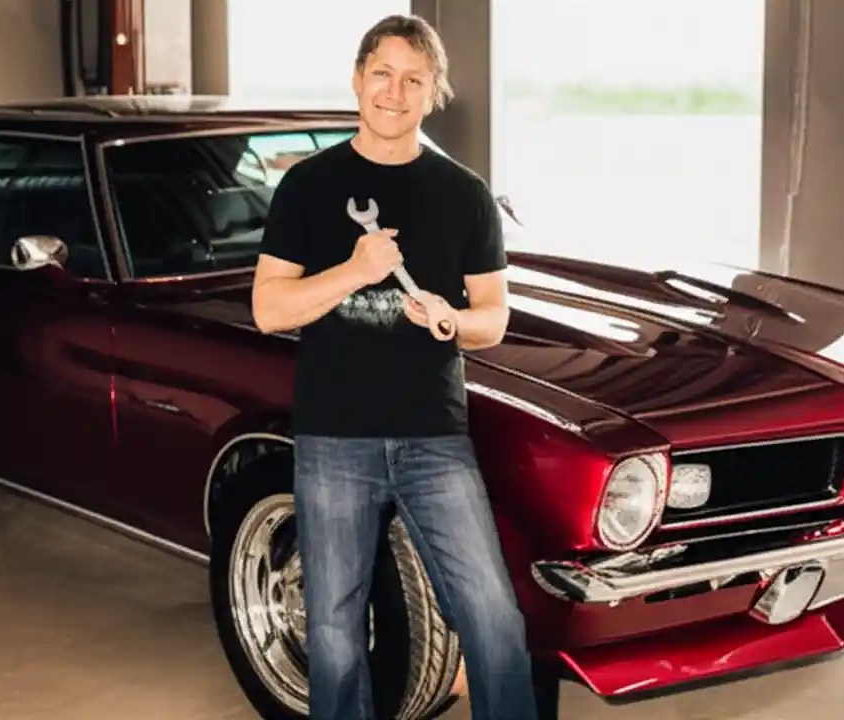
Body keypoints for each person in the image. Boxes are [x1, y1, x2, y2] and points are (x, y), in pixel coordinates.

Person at [251, 12, 556, 720]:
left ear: (433, 91)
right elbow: (269, 308)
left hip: (433, 438)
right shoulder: (307, 186)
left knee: (493, 617)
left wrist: (455, 321)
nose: (395, 91)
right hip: (335, 438)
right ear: (357, 80)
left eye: (413, 79)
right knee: (332, 633)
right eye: (382, 74)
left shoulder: (465, 194)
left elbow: (493, 318)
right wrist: (356, 271)